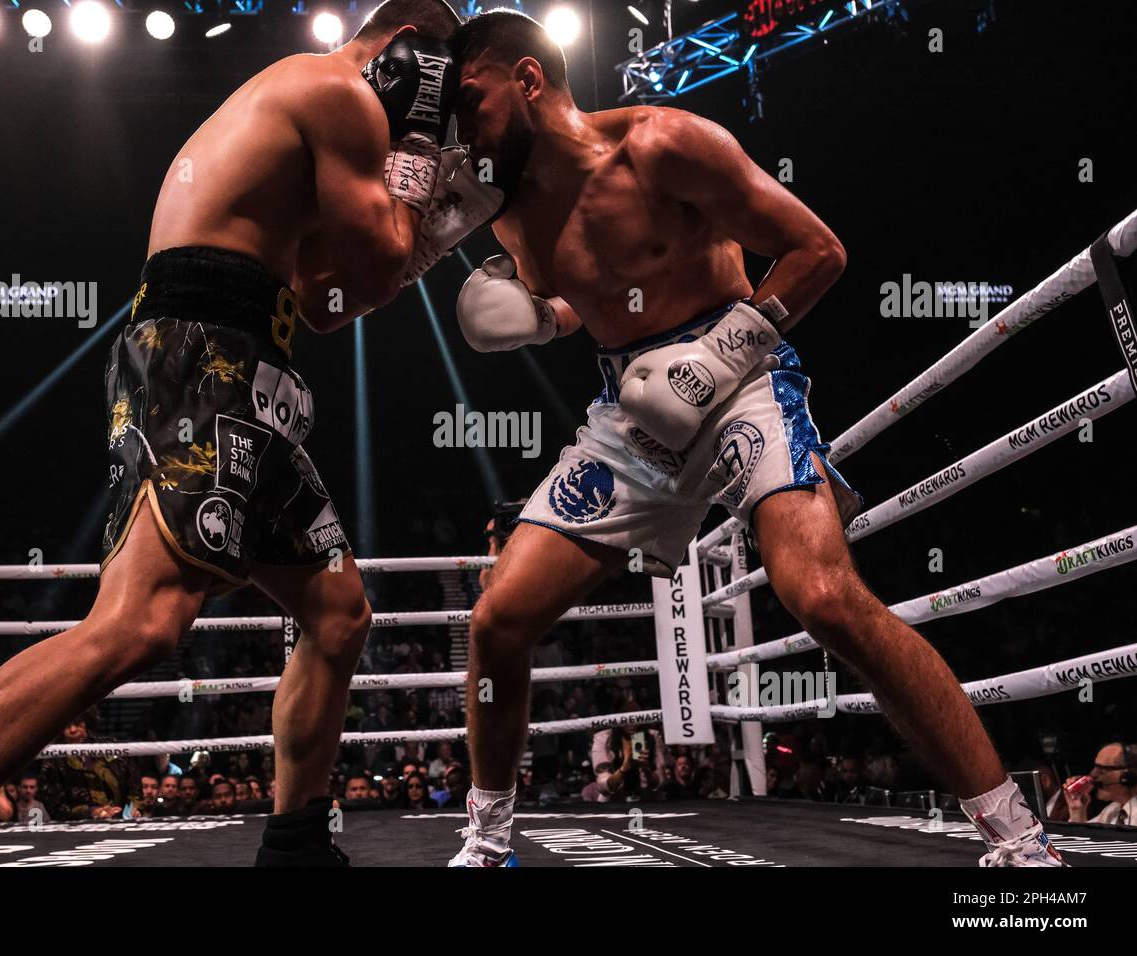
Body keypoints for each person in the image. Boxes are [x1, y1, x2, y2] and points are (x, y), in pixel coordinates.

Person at [0, 0, 462, 869]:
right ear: (409, 55)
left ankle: (295, 844)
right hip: (202, 354)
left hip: (249, 362)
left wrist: (409, 237)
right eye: (441, 84)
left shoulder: (310, 109)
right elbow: (379, 263)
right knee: (141, 623)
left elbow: (331, 299)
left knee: (338, 613)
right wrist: (423, 154)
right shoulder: (341, 94)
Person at [444, 9, 1062, 868]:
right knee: (498, 622)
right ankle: (486, 841)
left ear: (527, 79)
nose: (457, 120)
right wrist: (541, 322)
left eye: (468, 96)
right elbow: (586, 292)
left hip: (743, 381)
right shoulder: (502, 206)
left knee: (824, 596)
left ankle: (1018, 840)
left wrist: (719, 350)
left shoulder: (666, 143)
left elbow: (819, 250)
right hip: (630, 411)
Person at [1063, 742, 1137, 826]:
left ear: (1128, 777)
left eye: (1101, 770)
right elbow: (1084, 836)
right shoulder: (1111, 811)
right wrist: (1078, 811)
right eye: (1095, 768)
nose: (1092, 775)